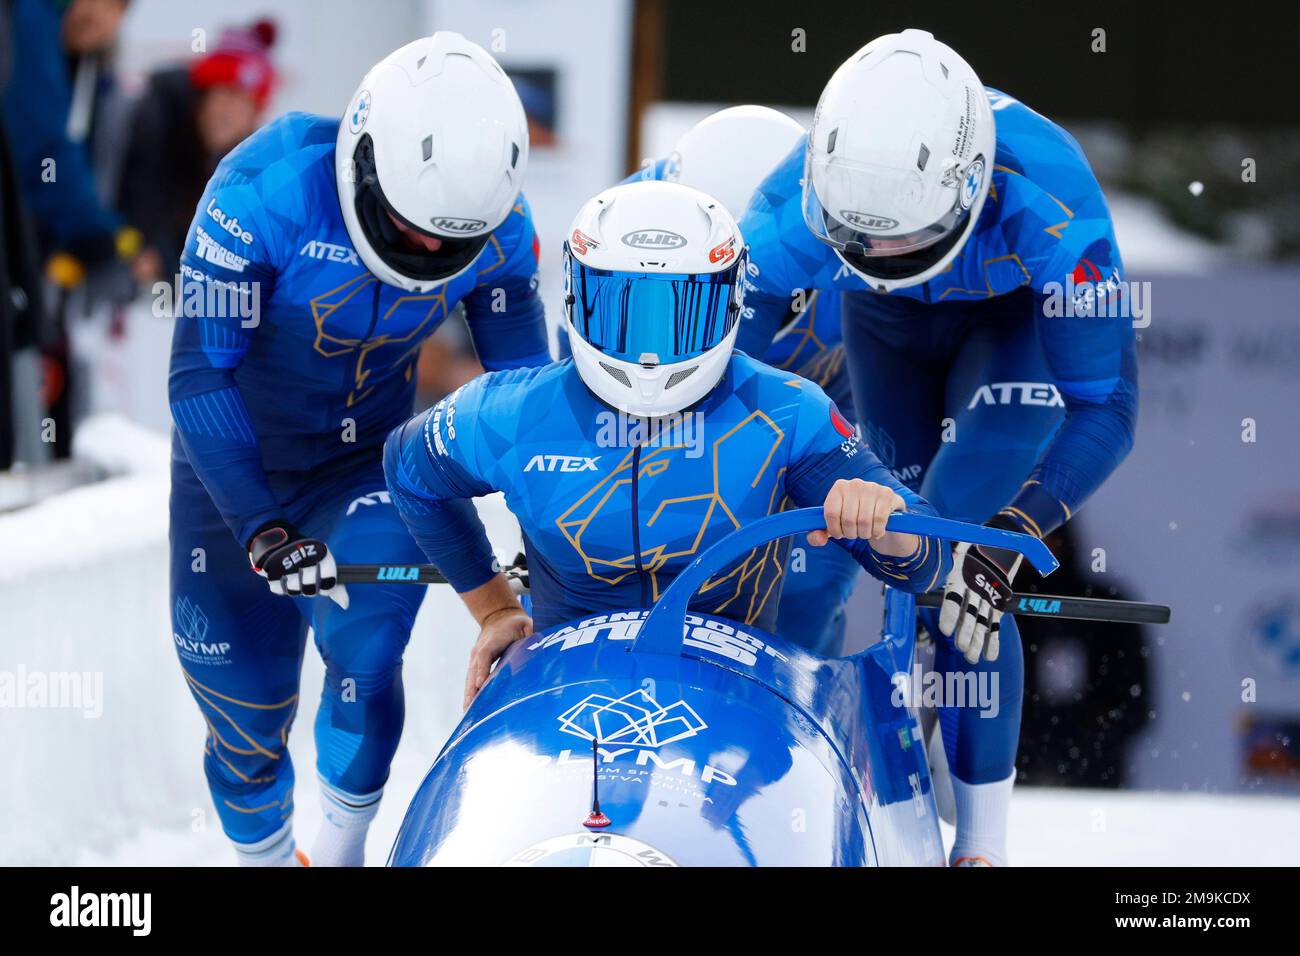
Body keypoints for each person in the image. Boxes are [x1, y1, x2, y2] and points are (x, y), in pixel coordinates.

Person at [737, 29, 1138, 865]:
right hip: (880, 333)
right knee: (897, 557)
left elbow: (1107, 407)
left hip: (1012, 327)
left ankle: (982, 847)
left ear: (970, 189)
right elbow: (724, 371)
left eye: (907, 244)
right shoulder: (782, 218)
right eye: (860, 244)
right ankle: (884, 782)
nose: (887, 262)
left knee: (954, 552)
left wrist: (1019, 530)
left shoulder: (1055, 208)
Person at [168, 32, 548, 867]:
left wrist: (555, 540)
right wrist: (263, 529)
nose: (422, 256)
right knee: (244, 719)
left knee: (369, 650)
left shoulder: (503, 224)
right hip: (232, 471)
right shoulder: (261, 188)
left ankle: (336, 860)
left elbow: (530, 401)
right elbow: (199, 377)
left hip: (365, 467)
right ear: (362, 166)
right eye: (406, 230)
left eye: (445, 246)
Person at [383, 179, 952, 711]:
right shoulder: (510, 411)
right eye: (624, 309)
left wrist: (887, 520)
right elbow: (408, 469)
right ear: (579, 299)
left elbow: (927, 561)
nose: (650, 352)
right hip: (563, 700)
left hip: (733, 705)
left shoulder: (790, 411)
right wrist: (495, 609)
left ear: (730, 301)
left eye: (679, 312)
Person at [628, 105, 860, 655]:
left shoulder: (849, 263)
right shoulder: (623, 237)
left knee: (806, 593)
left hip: (815, 418)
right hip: (657, 423)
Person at [120, 18, 279, 284]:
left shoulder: (238, 169)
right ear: (204, 95)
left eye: (245, 102)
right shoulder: (153, 124)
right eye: (225, 93)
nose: (229, 112)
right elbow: (135, 195)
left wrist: (162, 260)